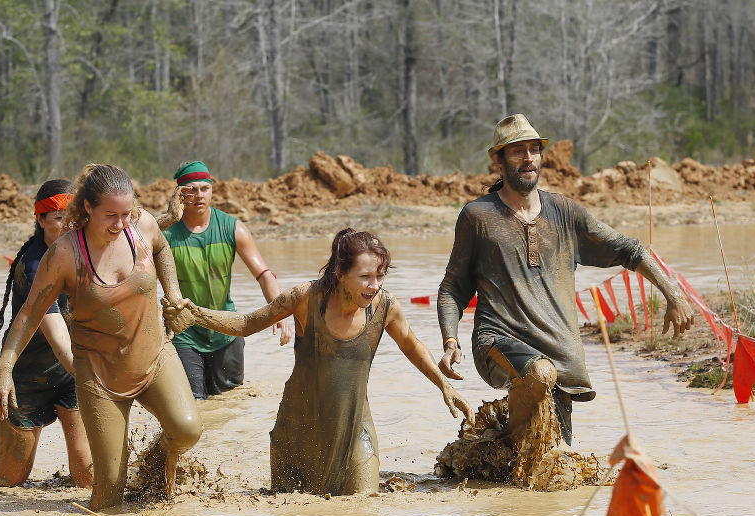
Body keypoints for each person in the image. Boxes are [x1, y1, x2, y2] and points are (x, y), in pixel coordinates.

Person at [436, 114, 693, 445]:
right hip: (497, 341)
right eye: (517, 151)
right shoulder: (478, 217)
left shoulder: (566, 214)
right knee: (538, 374)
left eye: (534, 150)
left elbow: (631, 251)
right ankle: (501, 448)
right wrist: (450, 342)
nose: (528, 158)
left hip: (559, 359)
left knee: (552, 463)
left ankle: (496, 450)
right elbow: (452, 289)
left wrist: (676, 297)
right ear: (498, 160)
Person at [164, 228, 473, 495]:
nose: (374, 285)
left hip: (355, 431)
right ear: (340, 273)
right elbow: (246, 323)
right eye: (365, 277)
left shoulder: (385, 306)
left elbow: (412, 345)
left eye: (380, 276)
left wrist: (443, 385)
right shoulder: (305, 298)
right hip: (297, 433)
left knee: (363, 513)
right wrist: (197, 314)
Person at [0, 163, 202, 511]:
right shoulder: (64, 255)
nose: (121, 224)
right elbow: (29, 314)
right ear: (87, 207)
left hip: (154, 357)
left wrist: (173, 296)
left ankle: (153, 465)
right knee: (109, 490)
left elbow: (161, 248)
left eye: (126, 213)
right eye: (110, 216)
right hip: (99, 373)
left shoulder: (142, 224)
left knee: (188, 429)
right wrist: (4, 367)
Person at [0, 179, 93, 488]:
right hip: (27, 376)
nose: (68, 225)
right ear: (41, 219)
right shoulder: (34, 267)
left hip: (71, 372)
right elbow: (58, 338)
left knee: (88, 477)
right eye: (59, 217)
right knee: (10, 481)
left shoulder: (85, 250)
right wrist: (96, 383)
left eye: (73, 217)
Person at [160, 160, 293, 400]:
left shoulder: (233, 228)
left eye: (204, 188)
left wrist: (279, 311)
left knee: (228, 405)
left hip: (226, 331)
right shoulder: (166, 235)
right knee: (193, 404)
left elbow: (264, 274)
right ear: (180, 194)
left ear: (212, 190)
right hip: (184, 334)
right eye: (191, 190)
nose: (199, 195)